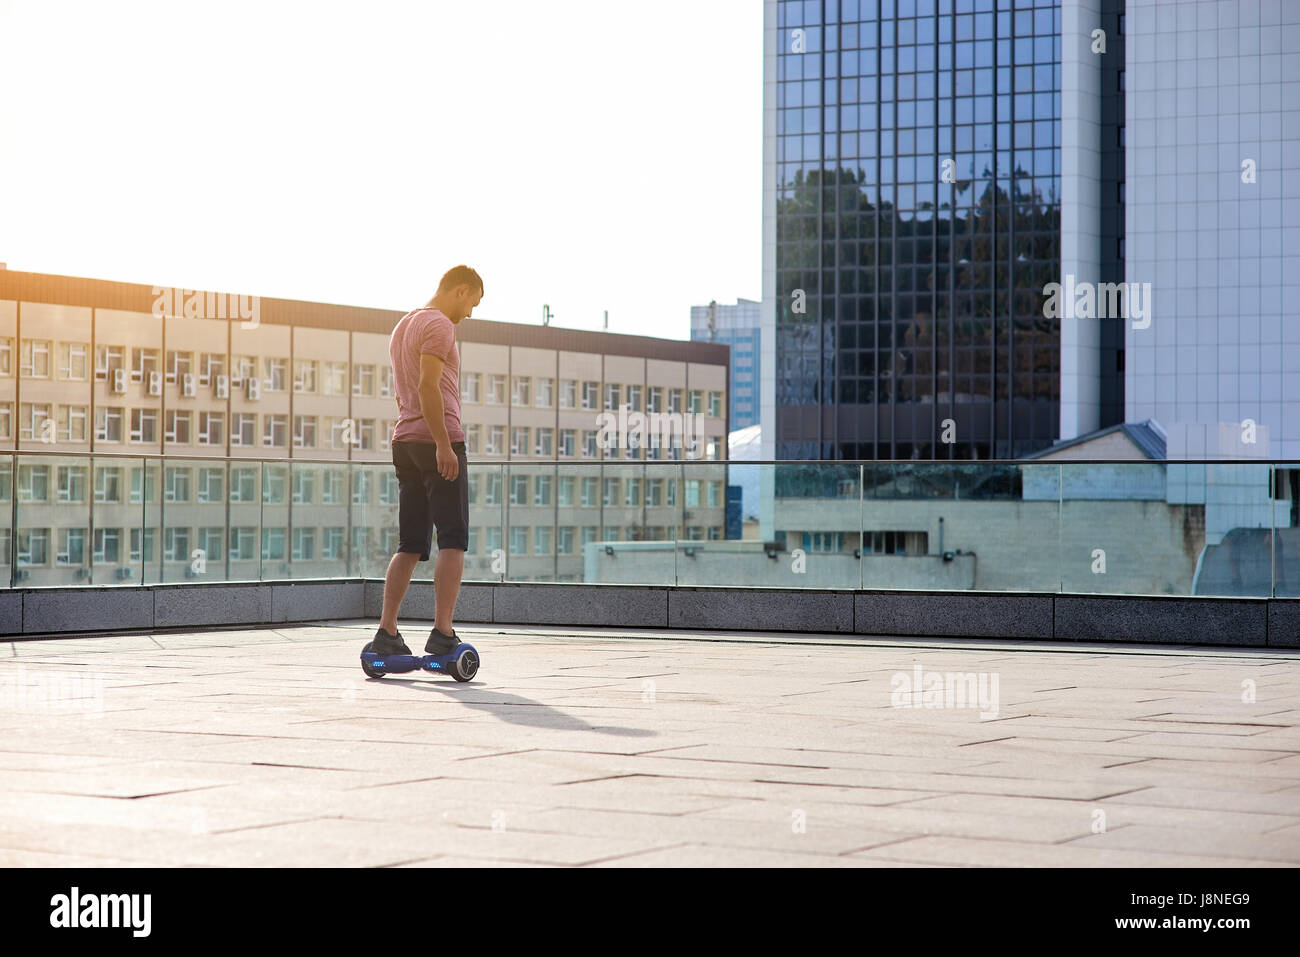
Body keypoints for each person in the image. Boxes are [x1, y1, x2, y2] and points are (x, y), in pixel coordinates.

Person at [373, 265, 483, 657]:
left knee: (411, 542)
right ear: (460, 290)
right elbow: (426, 385)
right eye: (473, 302)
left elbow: (405, 388)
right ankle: (442, 632)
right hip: (436, 439)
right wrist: (442, 445)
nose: (470, 313)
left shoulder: (403, 325)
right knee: (452, 540)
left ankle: (386, 632)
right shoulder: (439, 325)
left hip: (404, 441)